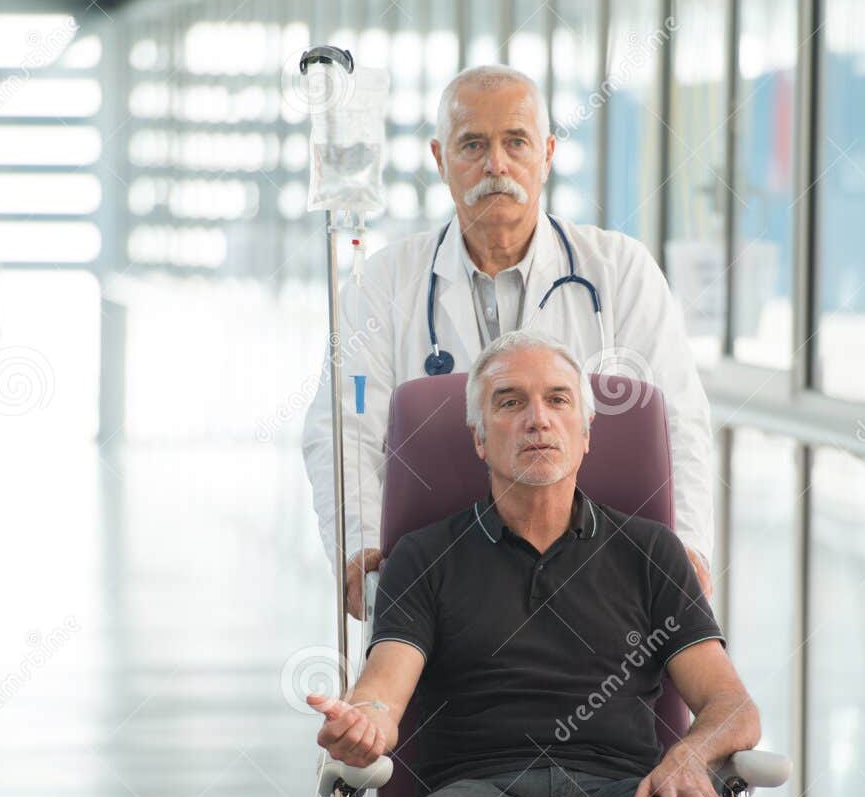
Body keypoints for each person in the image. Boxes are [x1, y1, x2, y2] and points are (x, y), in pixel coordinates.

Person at [307, 330, 760, 797]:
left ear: (584, 434)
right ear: (480, 438)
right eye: (509, 403)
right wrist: (362, 723)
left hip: (622, 794)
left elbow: (732, 705)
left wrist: (691, 752)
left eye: (556, 401)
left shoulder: (649, 551)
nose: (536, 418)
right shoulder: (425, 558)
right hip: (481, 794)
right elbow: (383, 690)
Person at [301, 65, 717, 618]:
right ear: (439, 159)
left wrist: (685, 545)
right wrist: (360, 548)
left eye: (515, 142)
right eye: (472, 143)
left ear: (546, 154)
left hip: (599, 580)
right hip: (442, 589)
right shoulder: (383, 284)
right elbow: (343, 429)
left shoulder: (619, 271)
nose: (496, 165)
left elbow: (678, 424)